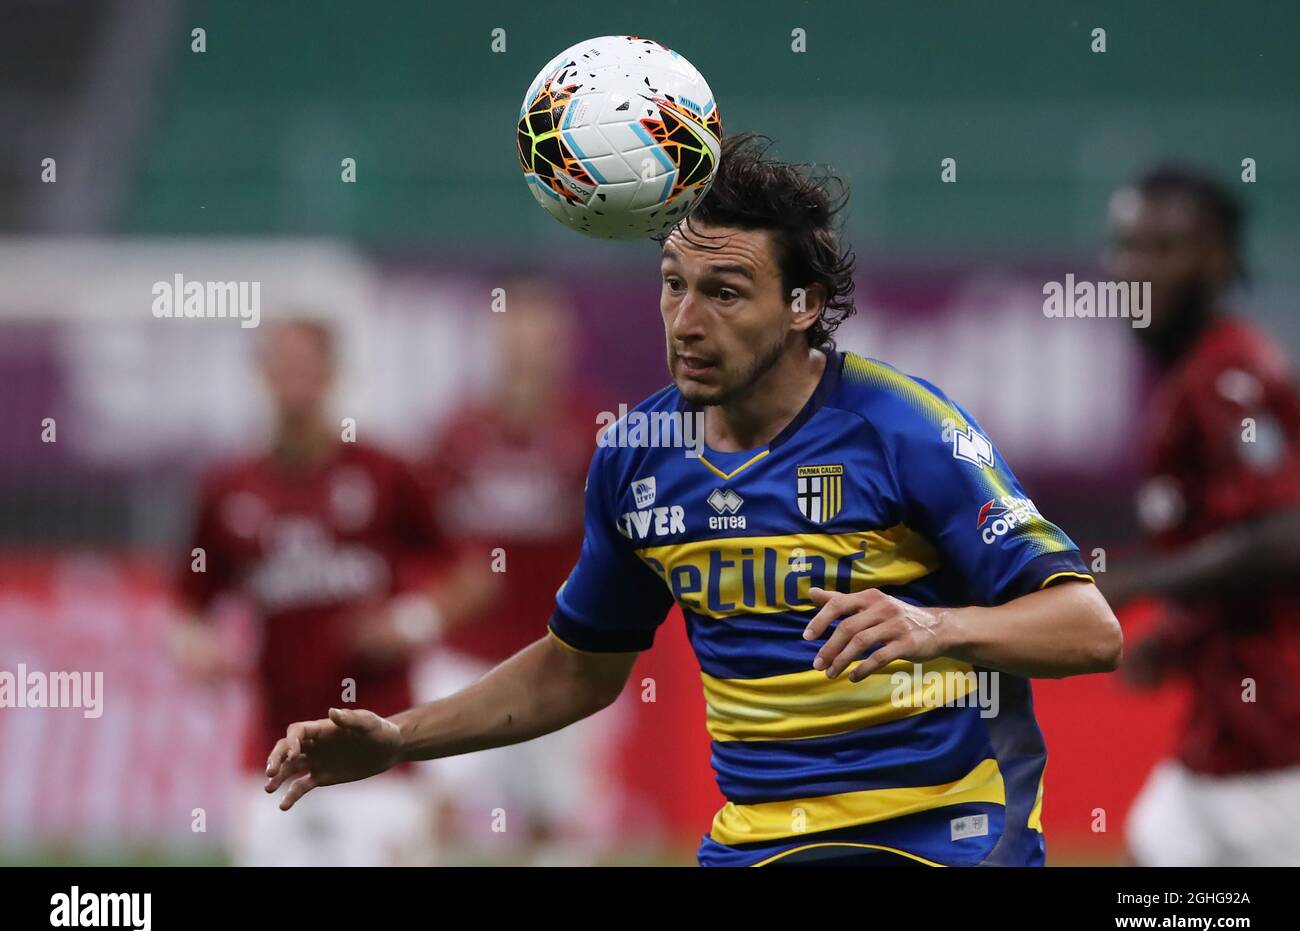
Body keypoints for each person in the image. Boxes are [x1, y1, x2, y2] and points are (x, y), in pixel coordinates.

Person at [265, 134, 1122, 867]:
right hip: (756, 841)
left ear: (804, 305)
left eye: (723, 292)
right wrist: (396, 739)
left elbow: (1089, 628)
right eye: (673, 283)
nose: (684, 320)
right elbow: (578, 667)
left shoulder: (905, 430)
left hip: (938, 834)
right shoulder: (637, 456)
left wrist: (937, 626)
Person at [174, 317, 492, 865]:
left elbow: (475, 573)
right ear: (262, 373)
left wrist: (411, 622)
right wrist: (197, 647)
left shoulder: (384, 472)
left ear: (331, 375)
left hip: (380, 753)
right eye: (282, 364)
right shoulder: (231, 489)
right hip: (276, 753)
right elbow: (190, 604)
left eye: (306, 365)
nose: (294, 379)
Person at [1098, 166, 1300, 866]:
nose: (1133, 268)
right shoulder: (1192, 377)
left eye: (1161, 249)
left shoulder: (1231, 374)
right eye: (1126, 247)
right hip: (1223, 742)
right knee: (1158, 845)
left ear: (1216, 261)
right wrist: (1180, 635)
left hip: (1278, 752)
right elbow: (1235, 551)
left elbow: (1285, 536)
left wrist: (1137, 584)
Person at [415, 278, 625, 863]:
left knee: (556, 819)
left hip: (559, 653)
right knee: (438, 802)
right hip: (465, 652)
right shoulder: (458, 435)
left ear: (565, 344)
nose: (530, 348)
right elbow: (421, 540)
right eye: (518, 332)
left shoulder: (594, 433)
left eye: (544, 335)